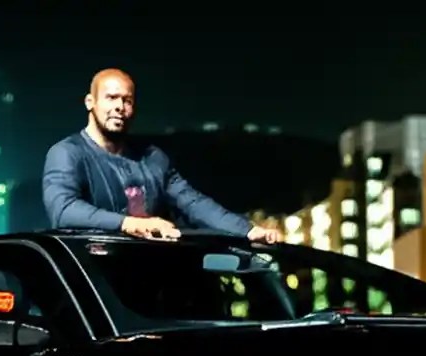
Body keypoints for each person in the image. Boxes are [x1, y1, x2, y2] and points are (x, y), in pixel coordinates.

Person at [42, 68, 284, 243]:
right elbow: (63, 210)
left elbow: (192, 202)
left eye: (127, 100)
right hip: (92, 283)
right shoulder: (67, 153)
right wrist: (132, 224)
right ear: (89, 102)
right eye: (111, 97)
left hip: (152, 277)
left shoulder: (152, 158)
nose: (119, 106)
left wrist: (247, 230)